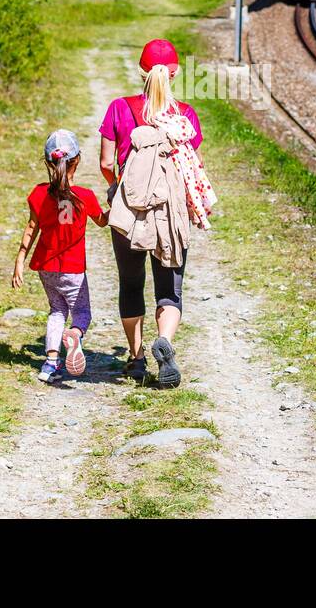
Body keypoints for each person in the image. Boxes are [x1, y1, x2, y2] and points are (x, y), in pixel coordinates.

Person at [99, 39, 203, 387]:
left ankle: (137, 357)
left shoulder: (119, 108)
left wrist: (120, 189)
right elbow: (191, 163)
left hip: (129, 209)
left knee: (131, 282)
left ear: (141, 71)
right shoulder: (185, 115)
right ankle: (166, 342)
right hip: (170, 212)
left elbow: (104, 162)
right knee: (169, 288)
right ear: (174, 73)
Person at [12, 129, 107, 383]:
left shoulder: (38, 194)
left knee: (56, 311)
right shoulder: (84, 197)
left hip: (46, 269)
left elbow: (32, 228)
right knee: (82, 313)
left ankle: (50, 364)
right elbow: (102, 222)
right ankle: (75, 336)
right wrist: (115, 204)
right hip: (73, 270)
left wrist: (20, 260)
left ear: (48, 163)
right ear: (77, 160)